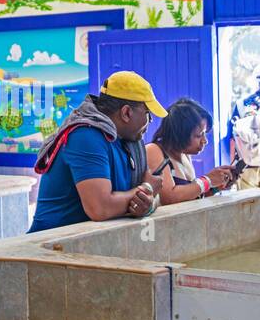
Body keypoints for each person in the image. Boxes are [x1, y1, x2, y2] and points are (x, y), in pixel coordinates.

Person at [29, 71, 165, 232]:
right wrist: (147, 189)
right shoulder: (85, 135)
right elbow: (100, 208)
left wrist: (147, 201)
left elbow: (149, 198)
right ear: (126, 113)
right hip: (52, 243)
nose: (150, 122)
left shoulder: (129, 142)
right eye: (147, 114)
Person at [144, 98, 237, 205]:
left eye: (205, 134)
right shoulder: (154, 150)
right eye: (199, 135)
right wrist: (208, 181)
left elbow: (191, 198)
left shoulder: (185, 155)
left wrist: (216, 187)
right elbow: (168, 198)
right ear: (181, 133)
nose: (205, 141)